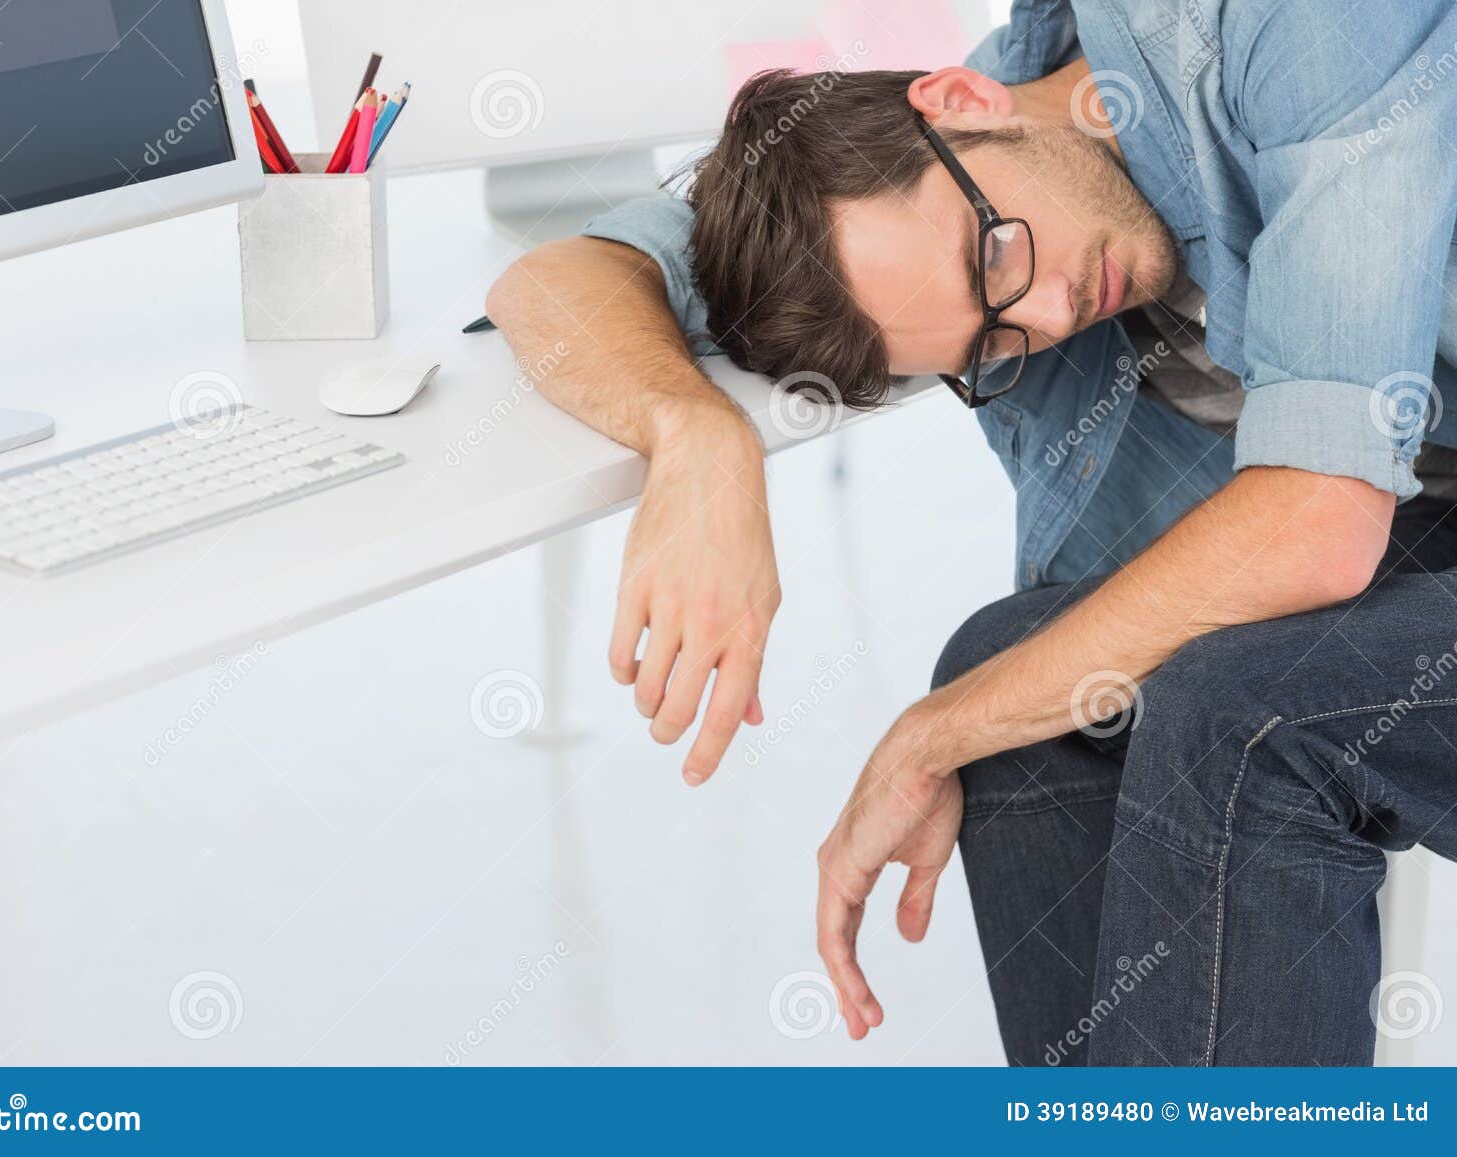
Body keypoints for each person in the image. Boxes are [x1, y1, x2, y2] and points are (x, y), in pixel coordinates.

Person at [485, 0, 1457, 1065]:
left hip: (1355, 513)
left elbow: (1316, 518)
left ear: (958, 99)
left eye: (993, 262)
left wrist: (929, 733)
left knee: (1237, 719)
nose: (1045, 314)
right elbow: (560, 278)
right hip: (1415, 523)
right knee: (1020, 685)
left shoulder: (1287, 27)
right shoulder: (889, 187)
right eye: (995, 339)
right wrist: (694, 439)